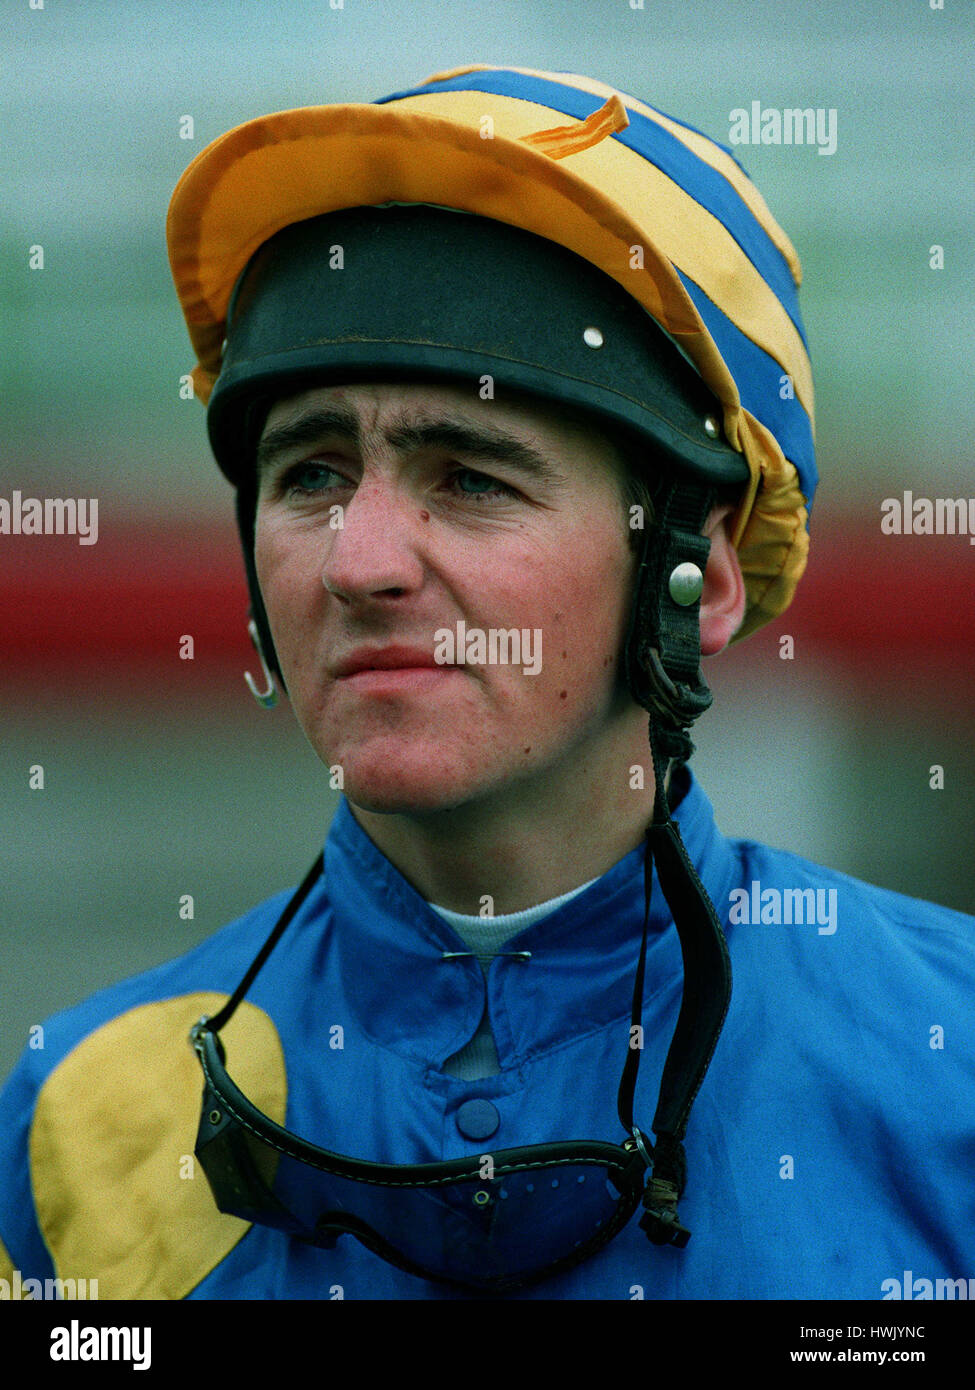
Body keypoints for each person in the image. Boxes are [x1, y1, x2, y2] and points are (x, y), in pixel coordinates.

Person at [2, 63, 973, 1303]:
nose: (356, 563)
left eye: (470, 476)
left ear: (699, 573)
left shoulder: (952, 1074)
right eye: (308, 474)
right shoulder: (71, 1126)